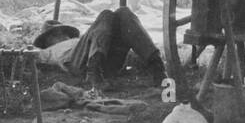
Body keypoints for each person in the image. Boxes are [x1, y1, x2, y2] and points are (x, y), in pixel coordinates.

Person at [33, 8, 168, 92]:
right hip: (80, 62)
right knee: (106, 14)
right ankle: (93, 73)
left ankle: (157, 66)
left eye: (63, 32)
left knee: (123, 12)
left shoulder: (79, 40)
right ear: (47, 42)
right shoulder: (48, 51)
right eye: (55, 35)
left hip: (105, 60)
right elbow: (31, 56)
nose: (62, 35)